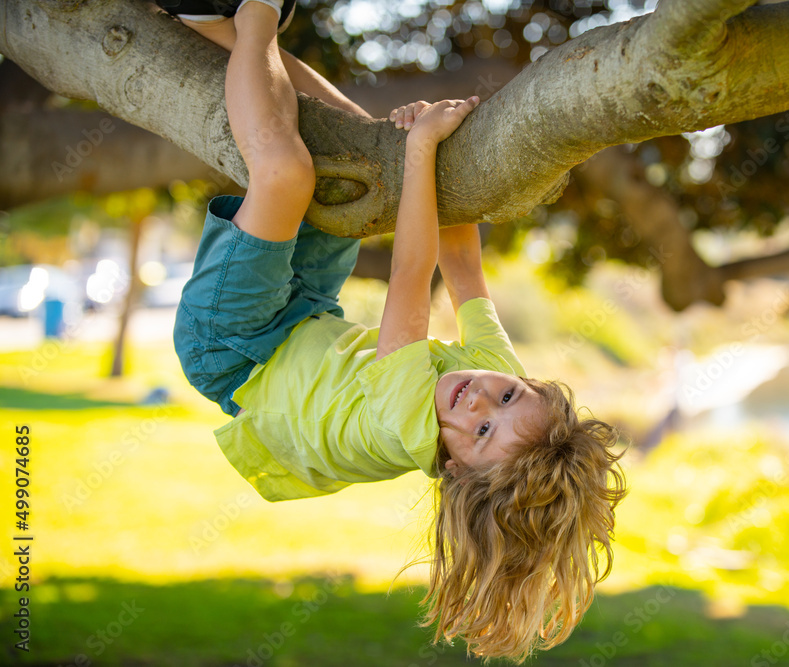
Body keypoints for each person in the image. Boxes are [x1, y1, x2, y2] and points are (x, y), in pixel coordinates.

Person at [166, 0, 627, 661]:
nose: (479, 403)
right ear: (532, 387)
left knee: (288, 175)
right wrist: (438, 156)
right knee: (360, 151)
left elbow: (411, 275)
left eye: (481, 435)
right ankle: (207, 25)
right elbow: (461, 263)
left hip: (234, 348)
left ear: (457, 470)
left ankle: (257, 13)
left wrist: (421, 148)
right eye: (508, 398)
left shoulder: (405, 423)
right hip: (304, 315)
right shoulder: (492, 376)